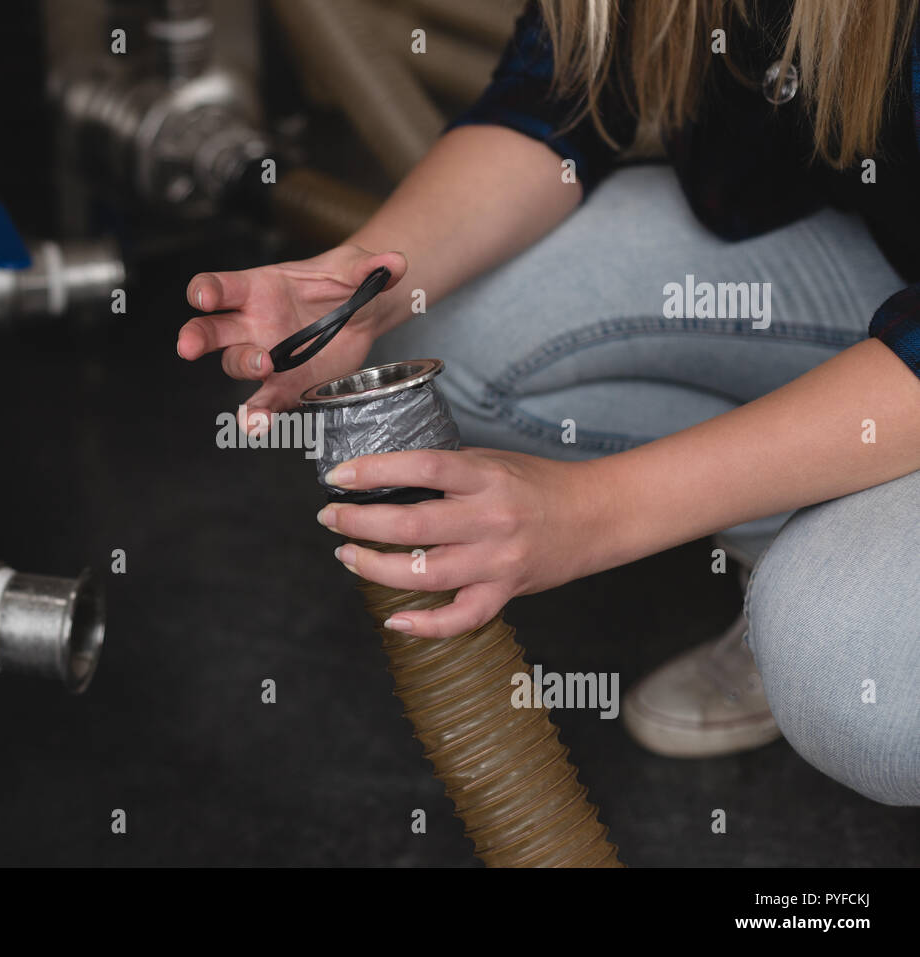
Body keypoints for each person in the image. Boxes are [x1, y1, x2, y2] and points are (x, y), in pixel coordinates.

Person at [177, 0, 920, 807]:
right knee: (453, 341)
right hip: (888, 268)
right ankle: (813, 535)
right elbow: (560, 94)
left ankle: (848, 587)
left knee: (855, 673)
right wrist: (367, 287)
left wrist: (593, 512)